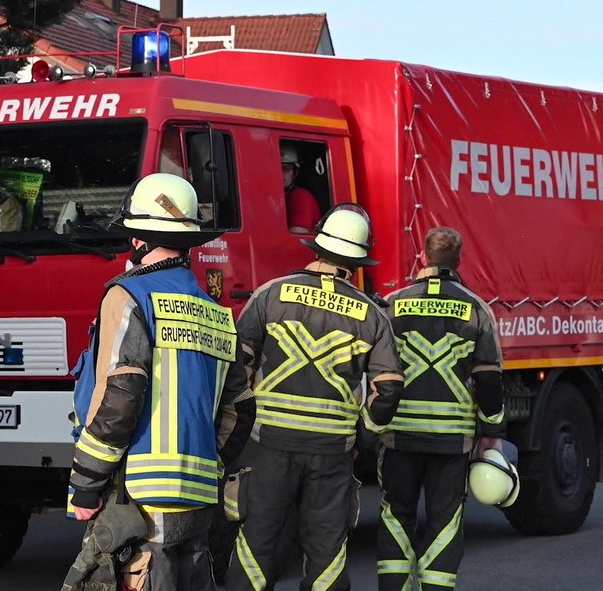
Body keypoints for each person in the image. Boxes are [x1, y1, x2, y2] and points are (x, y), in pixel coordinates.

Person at [62, 173, 256, 591]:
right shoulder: (217, 313)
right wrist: (209, 463)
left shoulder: (128, 297)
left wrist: (86, 482)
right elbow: (240, 409)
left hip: (139, 494)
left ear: (137, 240)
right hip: (201, 494)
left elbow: (120, 396)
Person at [225, 203, 404, 591]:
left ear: (317, 247)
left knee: (256, 545)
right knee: (326, 553)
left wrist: (237, 433)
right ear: (358, 259)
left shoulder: (269, 295)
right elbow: (388, 389)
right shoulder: (372, 314)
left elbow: (235, 368)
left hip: (268, 445)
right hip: (332, 451)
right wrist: (364, 433)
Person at [375, 226, 505, 591]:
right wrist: (492, 433)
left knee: (395, 515)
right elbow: (489, 380)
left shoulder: (392, 303)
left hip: (399, 437)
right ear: (458, 260)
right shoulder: (476, 309)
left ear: (424, 257)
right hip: (451, 442)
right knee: (444, 522)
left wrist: (371, 424)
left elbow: (374, 369)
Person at [282, 144, 321, 235]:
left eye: (286, 169)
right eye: (276, 168)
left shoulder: (300, 196)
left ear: (295, 172)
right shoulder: (279, 196)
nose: (280, 173)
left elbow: (297, 236)